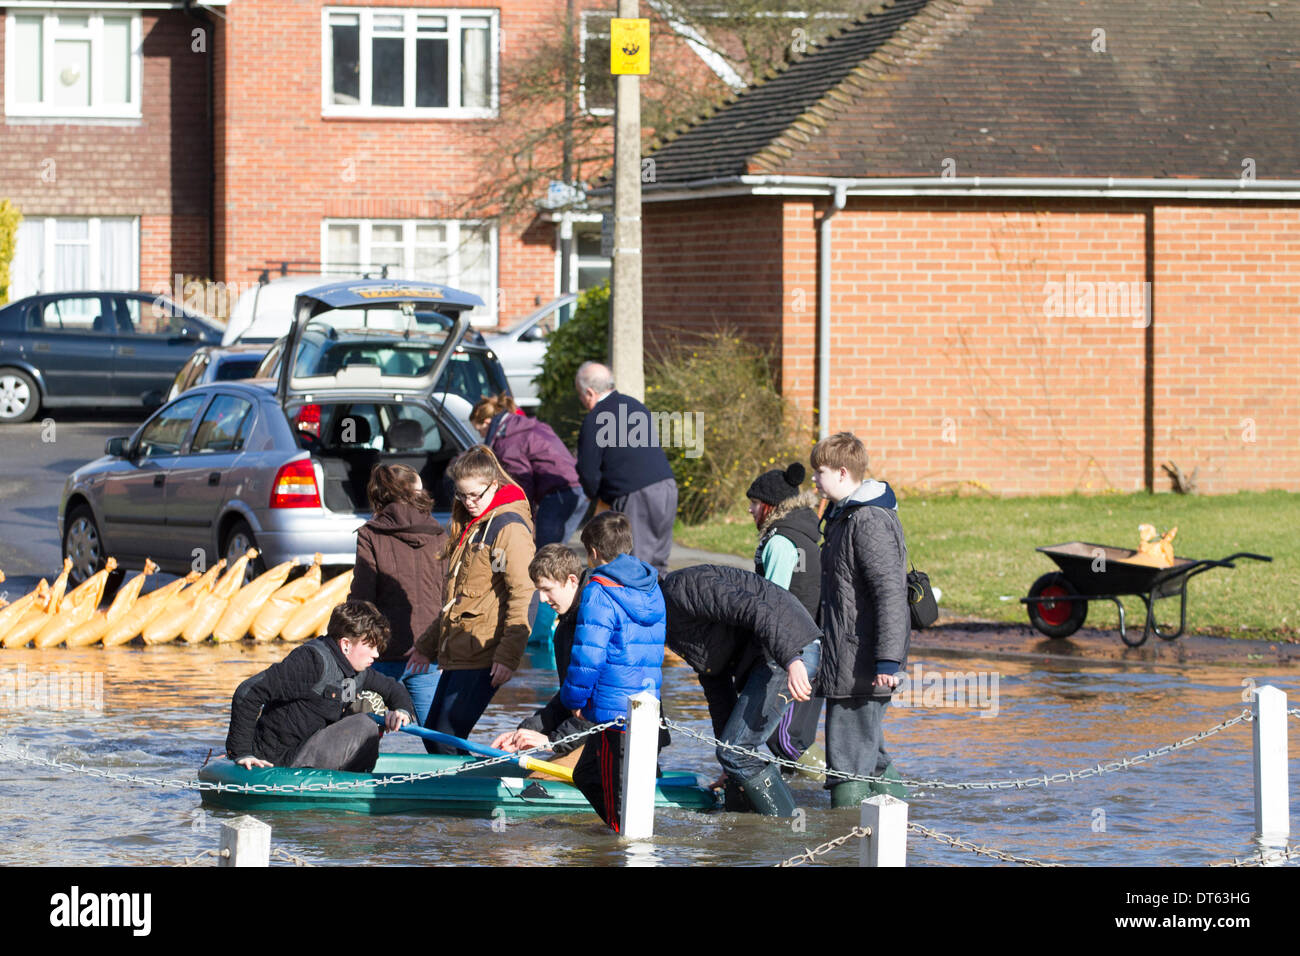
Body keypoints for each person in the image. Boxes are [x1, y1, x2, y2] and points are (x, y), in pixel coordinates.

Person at [660, 564, 821, 815]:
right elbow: (715, 684)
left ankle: (788, 830)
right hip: (772, 655)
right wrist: (727, 769)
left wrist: (791, 658)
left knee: (737, 752)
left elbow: (754, 608)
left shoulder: (681, 589)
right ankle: (749, 843)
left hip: (789, 648)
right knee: (733, 755)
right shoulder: (671, 625)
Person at [414, 445, 535, 754]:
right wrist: (427, 646)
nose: (468, 503)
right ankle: (460, 790)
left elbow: (522, 594)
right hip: (460, 649)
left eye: (475, 495)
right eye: (462, 496)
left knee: (445, 738)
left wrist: (508, 657)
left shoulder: (507, 529)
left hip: (485, 653)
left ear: (494, 485)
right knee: (435, 736)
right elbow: (459, 600)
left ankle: (466, 797)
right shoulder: (475, 526)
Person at [810, 431, 910, 807]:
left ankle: (845, 846)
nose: (815, 481)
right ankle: (905, 825)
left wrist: (887, 660)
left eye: (819, 472)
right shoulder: (841, 516)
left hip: (864, 664)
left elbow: (890, 593)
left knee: (847, 762)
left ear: (840, 472)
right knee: (873, 758)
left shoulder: (867, 520)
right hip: (847, 658)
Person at [559, 511, 666, 831]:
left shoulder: (599, 589)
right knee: (593, 777)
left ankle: (624, 845)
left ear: (593, 552)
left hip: (613, 710)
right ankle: (616, 845)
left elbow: (588, 655)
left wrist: (573, 698)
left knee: (614, 793)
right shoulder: (651, 586)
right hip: (646, 705)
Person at [225, 601, 414, 773]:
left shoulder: (359, 670)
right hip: (280, 759)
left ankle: (356, 777)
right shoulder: (310, 661)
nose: (376, 655)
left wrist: (401, 711)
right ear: (346, 644)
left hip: (313, 747)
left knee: (371, 702)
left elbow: (393, 688)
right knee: (365, 724)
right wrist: (241, 752)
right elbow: (248, 692)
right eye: (371, 646)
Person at [348, 463, 447, 726]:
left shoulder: (371, 534)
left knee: (361, 733)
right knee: (439, 738)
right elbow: (450, 596)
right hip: (427, 652)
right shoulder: (440, 534)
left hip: (381, 654)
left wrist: (344, 641)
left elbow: (362, 598)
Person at [746, 462, 827, 777]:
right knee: (784, 739)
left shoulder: (780, 541)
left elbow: (774, 605)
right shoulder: (795, 530)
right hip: (804, 646)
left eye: (754, 503)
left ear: (769, 505)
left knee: (786, 739)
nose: (750, 510)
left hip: (798, 650)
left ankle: (839, 781)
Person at [490, 543, 594, 762]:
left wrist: (552, 741)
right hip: (586, 733)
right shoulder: (565, 628)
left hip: (616, 737)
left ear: (572, 581)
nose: (543, 599)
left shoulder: (593, 624)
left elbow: (601, 703)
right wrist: (525, 732)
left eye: (548, 590)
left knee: (537, 778)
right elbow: (569, 697)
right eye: (539, 591)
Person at [574, 361, 678, 575]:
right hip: (666, 487)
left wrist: (595, 495)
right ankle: (662, 606)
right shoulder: (635, 405)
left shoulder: (594, 419)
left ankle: (639, 608)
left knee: (636, 566)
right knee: (658, 564)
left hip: (636, 495)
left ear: (589, 392)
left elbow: (588, 471)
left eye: (581, 395)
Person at [470, 393, 587, 547]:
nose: (482, 436)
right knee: (557, 551)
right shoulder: (526, 425)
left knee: (545, 554)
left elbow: (521, 483)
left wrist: (525, 516)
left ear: (487, 422)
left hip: (556, 494)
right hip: (577, 490)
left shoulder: (508, 441)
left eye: (480, 431)